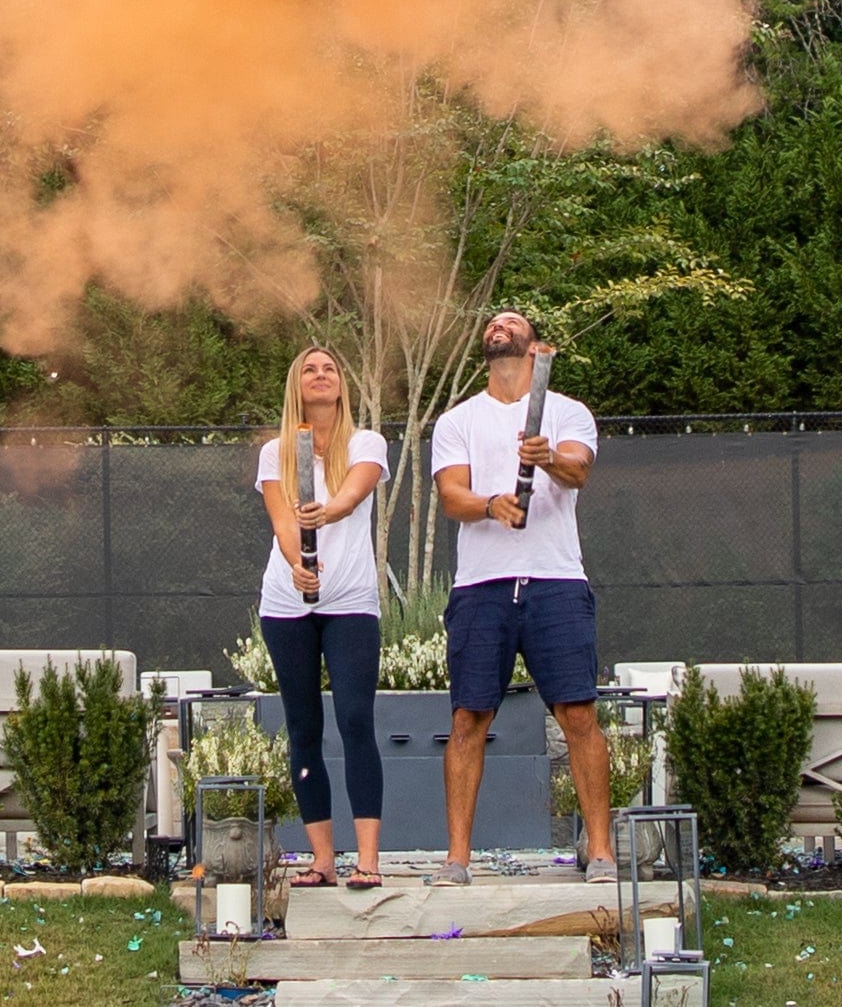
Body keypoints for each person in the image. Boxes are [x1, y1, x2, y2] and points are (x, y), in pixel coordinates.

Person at [425, 308, 614, 884]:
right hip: (482, 586)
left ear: (535, 348)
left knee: (578, 713)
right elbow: (451, 494)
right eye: (493, 321)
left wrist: (548, 458)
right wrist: (491, 505)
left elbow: (578, 471)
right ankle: (457, 860)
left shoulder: (568, 413)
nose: (497, 325)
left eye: (511, 321)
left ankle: (601, 853)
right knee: (467, 719)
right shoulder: (457, 422)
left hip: (555, 579)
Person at [255, 345, 390, 889]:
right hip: (287, 605)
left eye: (329, 368)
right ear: (297, 385)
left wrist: (327, 512)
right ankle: (322, 860)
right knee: (303, 728)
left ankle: (369, 861)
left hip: (351, 602)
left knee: (356, 720)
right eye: (309, 369)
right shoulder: (276, 452)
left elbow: (354, 493)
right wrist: (298, 564)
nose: (320, 375)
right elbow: (282, 520)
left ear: (341, 384)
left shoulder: (367, 443)